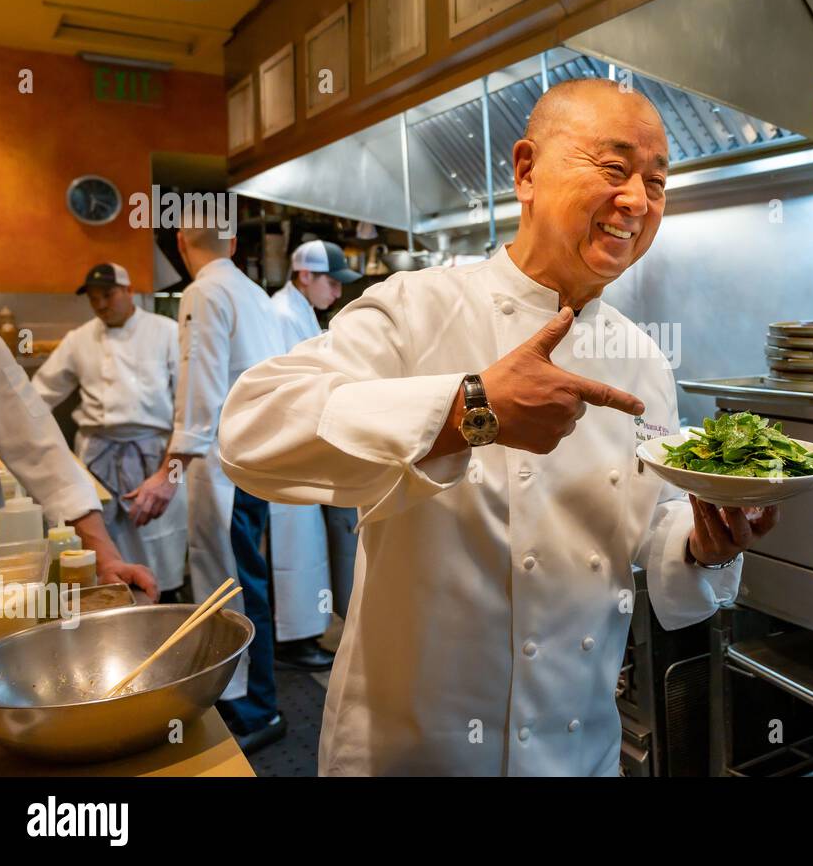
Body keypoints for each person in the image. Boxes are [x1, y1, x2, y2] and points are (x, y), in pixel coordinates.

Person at [219, 78, 779, 775]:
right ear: (525, 172)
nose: (636, 200)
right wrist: (469, 410)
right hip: (414, 754)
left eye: (657, 182)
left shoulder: (643, 360)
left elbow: (648, 530)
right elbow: (249, 430)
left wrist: (702, 542)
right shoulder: (415, 309)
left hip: (577, 753)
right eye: (613, 170)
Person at [165, 214, 288, 753]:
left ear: (179, 243)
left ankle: (253, 708)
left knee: (228, 586)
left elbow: (201, 386)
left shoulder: (203, 292)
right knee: (248, 581)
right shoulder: (257, 294)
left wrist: (169, 468)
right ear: (235, 244)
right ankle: (255, 700)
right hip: (256, 462)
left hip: (222, 468)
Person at [32, 263, 187, 598]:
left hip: (154, 454)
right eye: (93, 298)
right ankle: (114, 605)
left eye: (108, 294)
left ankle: (166, 601)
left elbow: (188, 405)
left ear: (129, 291)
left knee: (159, 541)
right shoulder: (79, 339)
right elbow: (36, 396)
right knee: (104, 540)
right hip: (97, 453)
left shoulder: (166, 332)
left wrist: (171, 471)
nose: (101, 304)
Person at [0, 326, 156, 598]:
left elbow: (41, 450)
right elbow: (44, 391)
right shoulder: (79, 338)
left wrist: (106, 559)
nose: (102, 302)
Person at [267, 240, 360, 671]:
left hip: (302, 444)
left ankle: (301, 632)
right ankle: (292, 639)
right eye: (331, 282)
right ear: (305, 275)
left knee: (304, 548)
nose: (337, 293)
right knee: (294, 548)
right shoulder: (282, 313)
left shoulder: (301, 311)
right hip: (286, 447)